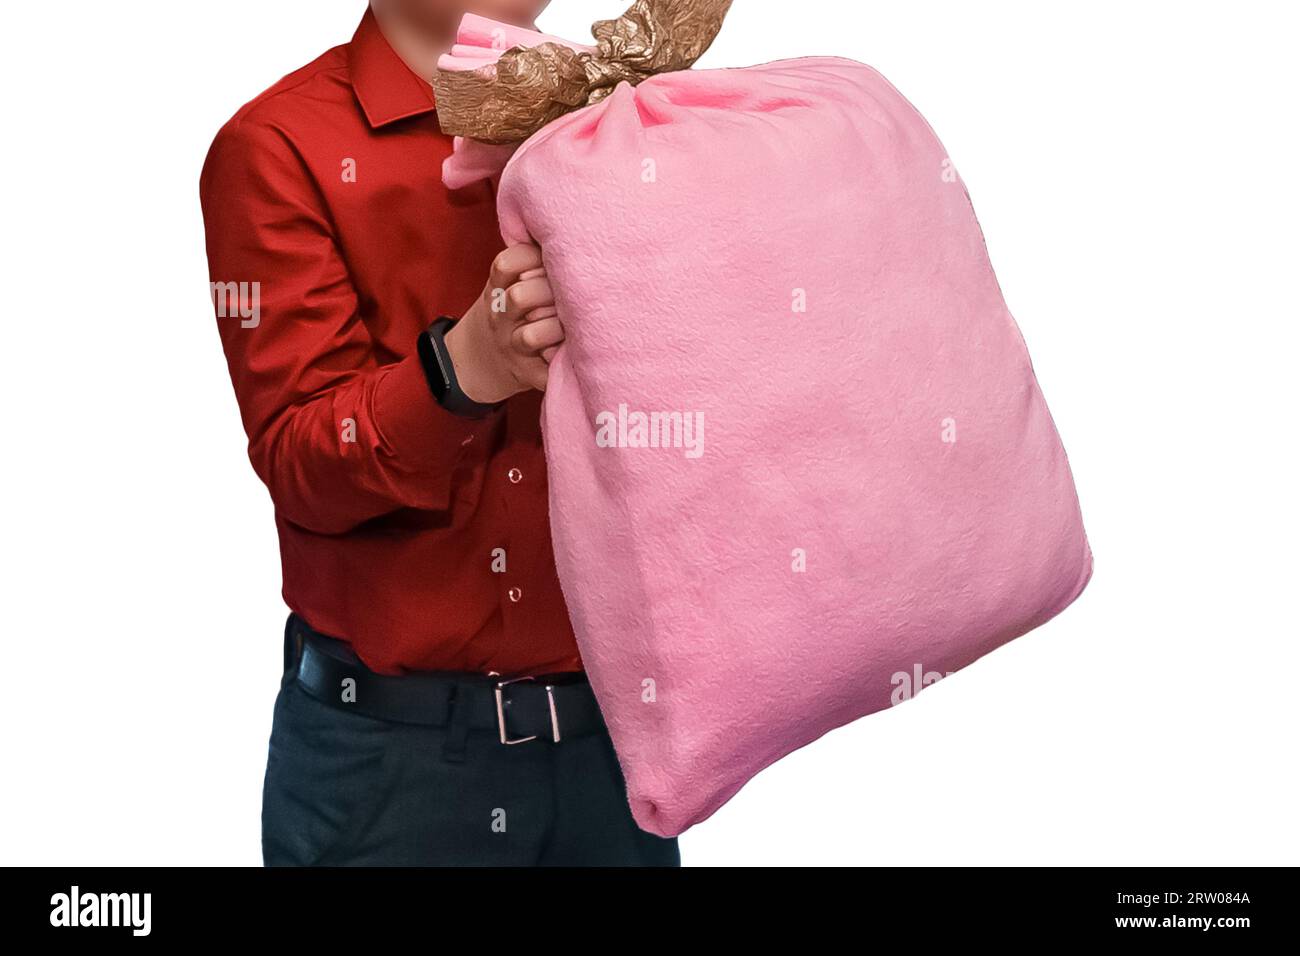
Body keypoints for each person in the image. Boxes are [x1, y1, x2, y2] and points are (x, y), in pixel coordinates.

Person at [199, 0, 680, 866]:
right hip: (391, 766)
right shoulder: (277, 145)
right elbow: (301, 462)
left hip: (617, 751)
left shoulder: (617, 115)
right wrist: (462, 370)